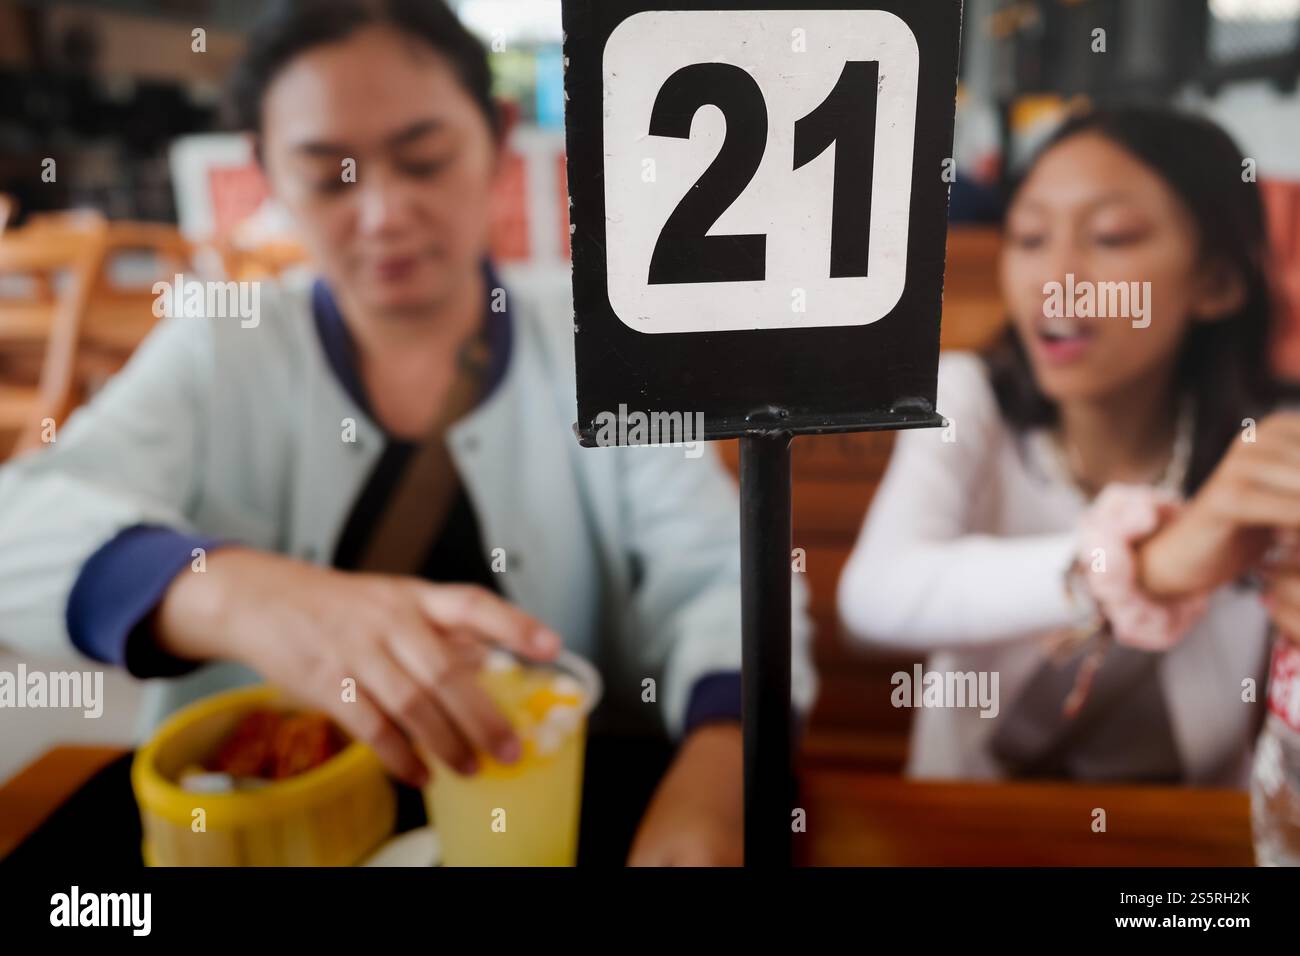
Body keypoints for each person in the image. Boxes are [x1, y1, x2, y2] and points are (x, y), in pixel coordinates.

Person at [0, 0, 816, 865]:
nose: (385, 212)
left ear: (498, 139)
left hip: (543, 820)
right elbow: (22, 526)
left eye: (424, 160)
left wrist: (722, 770)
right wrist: (243, 597)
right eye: (329, 174)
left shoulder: (600, 347)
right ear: (266, 172)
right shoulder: (222, 345)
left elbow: (720, 583)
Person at [837, 106, 1294, 786]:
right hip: (967, 828)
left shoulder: (1267, 453)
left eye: (1110, 236)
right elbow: (873, 600)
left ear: (1217, 283)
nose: (1055, 277)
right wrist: (1139, 568)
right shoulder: (967, 397)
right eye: (1028, 237)